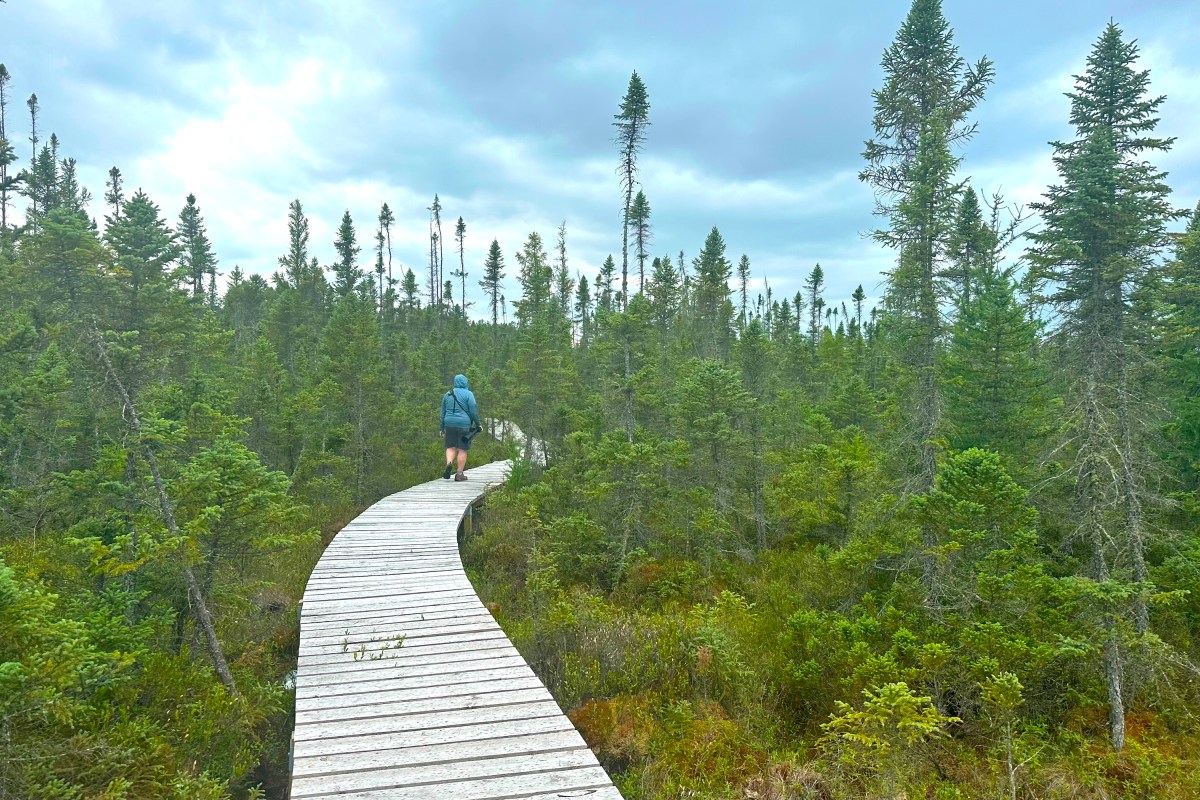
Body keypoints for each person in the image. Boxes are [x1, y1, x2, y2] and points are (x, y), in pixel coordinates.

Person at [439, 373, 480, 481]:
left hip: (449, 424)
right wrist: (478, 424)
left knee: (450, 447)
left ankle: (449, 464)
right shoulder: (468, 394)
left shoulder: (448, 394)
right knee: (462, 449)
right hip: (464, 425)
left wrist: (441, 428)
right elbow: (473, 411)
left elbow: (442, 413)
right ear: (465, 382)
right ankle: (459, 474)